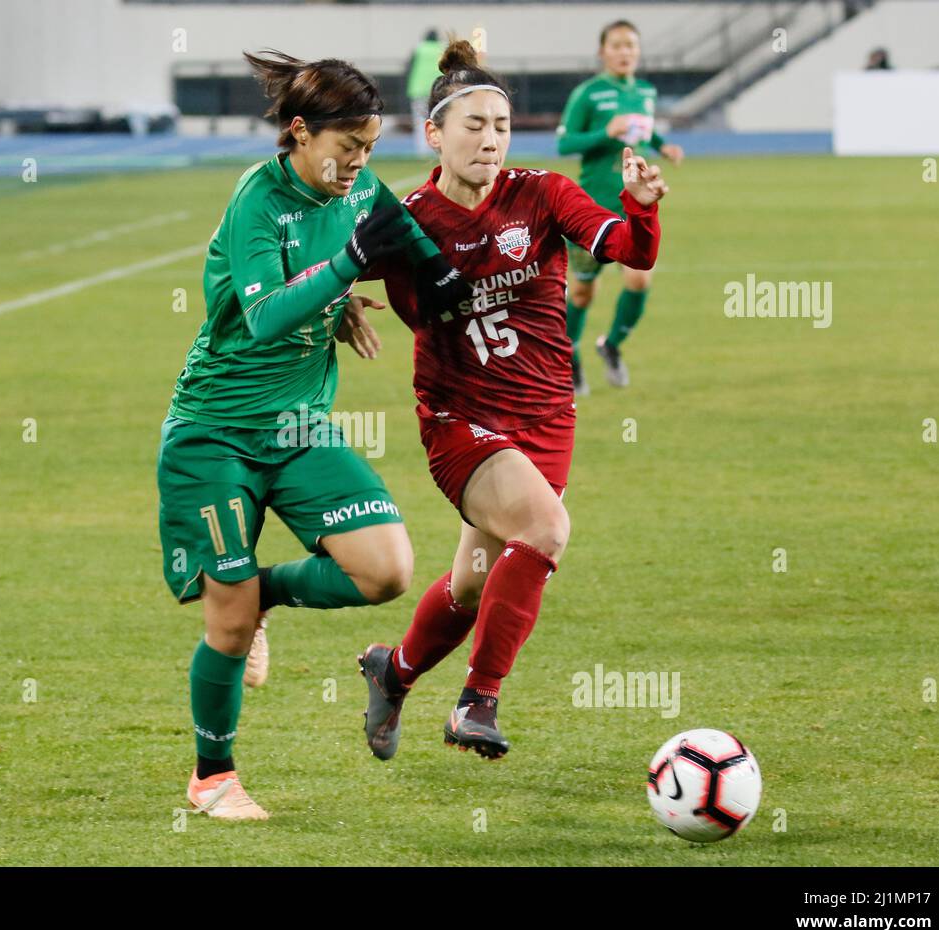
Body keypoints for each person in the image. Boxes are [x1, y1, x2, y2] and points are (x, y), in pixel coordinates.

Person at [158, 49, 468, 819]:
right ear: (300, 131)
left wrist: (443, 275)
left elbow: (413, 245)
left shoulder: (357, 187)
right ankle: (212, 780)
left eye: (370, 148)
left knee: (387, 570)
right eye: (348, 147)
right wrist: (345, 270)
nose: (360, 163)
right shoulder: (258, 199)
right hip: (216, 433)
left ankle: (257, 592)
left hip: (300, 428)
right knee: (227, 629)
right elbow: (265, 315)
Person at [353, 39, 667, 760]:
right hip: (459, 420)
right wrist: (338, 299)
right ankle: (477, 702)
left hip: (547, 416)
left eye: (501, 125)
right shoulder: (407, 219)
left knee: (472, 584)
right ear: (434, 134)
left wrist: (642, 209)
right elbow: (318, 266)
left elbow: (629, 249)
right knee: (546, 529)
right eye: (474, 125)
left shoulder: (543, 193)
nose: (490, 139)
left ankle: (392, 672)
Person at [556, 20, 681, 394]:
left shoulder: (645, 91)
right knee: (583, 294)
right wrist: (605, 133)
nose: (625, 52)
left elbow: (644, 130)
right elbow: (564, 144)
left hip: (632, 207)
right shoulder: (588, 94)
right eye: (617, 45)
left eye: (631, 45)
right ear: (602, 52)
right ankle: (570, 354)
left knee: (639, 280)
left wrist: (662, 146)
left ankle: (610, 344)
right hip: (590, 212)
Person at [407, 30, 445, 156]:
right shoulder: (442, 49)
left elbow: (408, 67)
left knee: (419, 121)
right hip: (438, 90)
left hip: (418, 90)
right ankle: (437, 148)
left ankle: (422, 150)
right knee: (438, 121)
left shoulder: (419, 49)